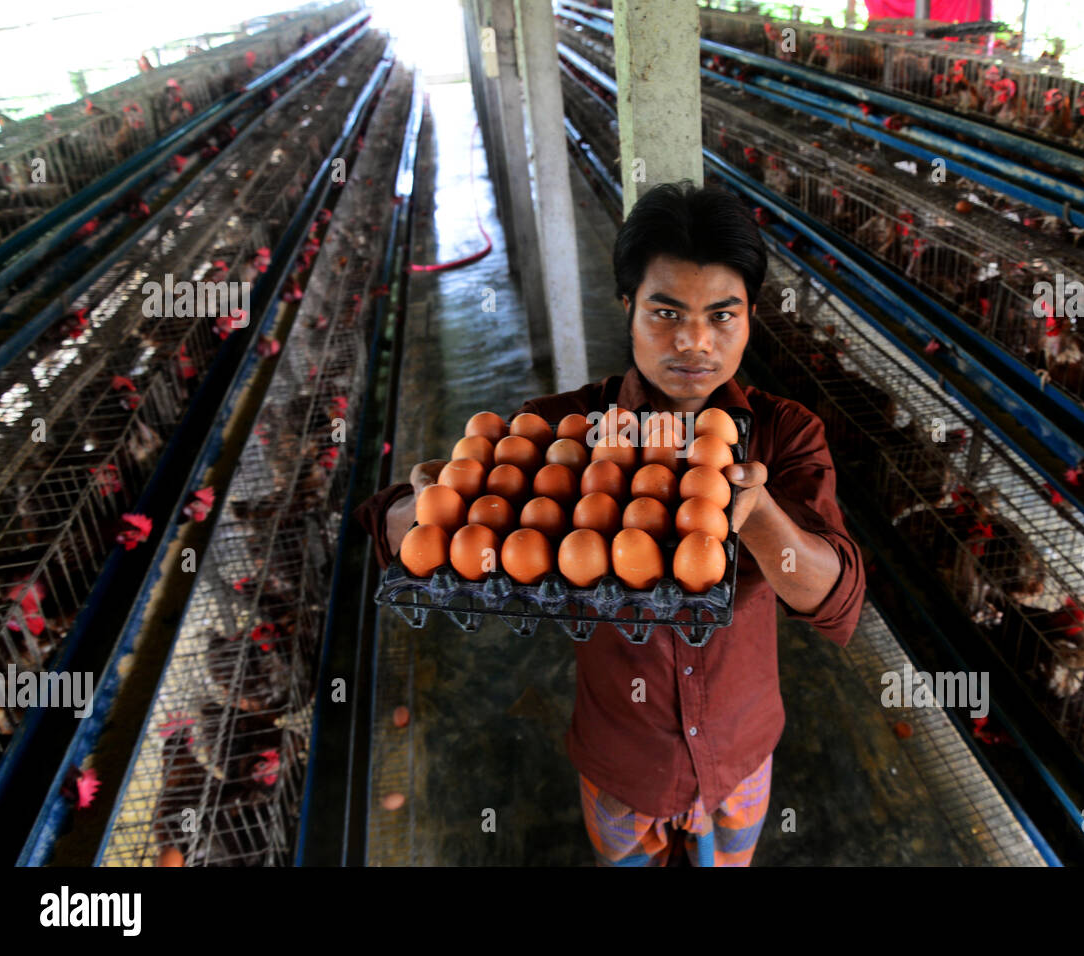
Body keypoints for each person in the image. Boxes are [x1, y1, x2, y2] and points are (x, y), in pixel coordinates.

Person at [354, 180, 865, 866]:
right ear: (627, 307)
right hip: (622, 756)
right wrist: (422, 510)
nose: (694, 342)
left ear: (750, 317)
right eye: (665, 312)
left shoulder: (784, 435)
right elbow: (396, 533)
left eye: (723, 316)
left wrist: (759, 513)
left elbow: (834, 601)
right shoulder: (563, 431)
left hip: (740, 752)